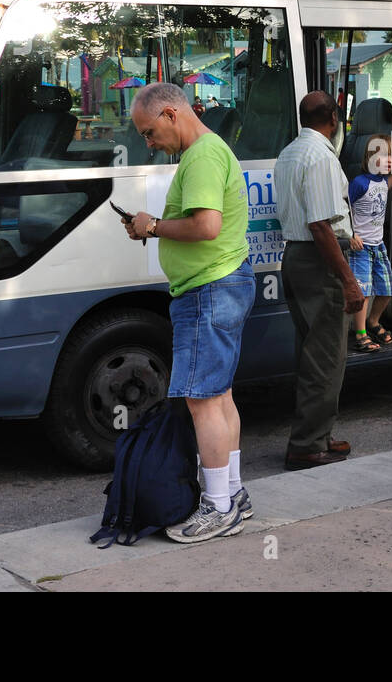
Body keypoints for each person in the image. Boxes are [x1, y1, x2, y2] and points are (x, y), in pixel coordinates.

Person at [126, 82, 256, 543]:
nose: (149, 142)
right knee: (219, 397)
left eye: (148, 132)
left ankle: (217, 506)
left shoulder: (200, 156)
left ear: (170, 113)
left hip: (207, 290)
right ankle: (233, 494)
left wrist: (154, 226)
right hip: (222, 284)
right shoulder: (212, 150)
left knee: (202, 400)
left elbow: (206, 226)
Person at [273, 91, 364, 470]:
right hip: (319, 258)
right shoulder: (321, 157)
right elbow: (322, 226)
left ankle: (320, 434)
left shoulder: (290, 152)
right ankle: (308, 445)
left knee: (313, 353)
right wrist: (348, 280)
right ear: (335, 118)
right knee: (326, 358)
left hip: (295, 256)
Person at [348, 134, 392, 352]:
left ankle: (373, 322)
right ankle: (360, 332)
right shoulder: (360, 183)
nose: (390, 161)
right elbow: (345, 208)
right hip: (361, 247)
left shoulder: (382, 182)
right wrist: (351, 234)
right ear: (370, 157)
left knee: (387, 288)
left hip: (378, 246)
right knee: (364, 291)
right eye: (385, 156)